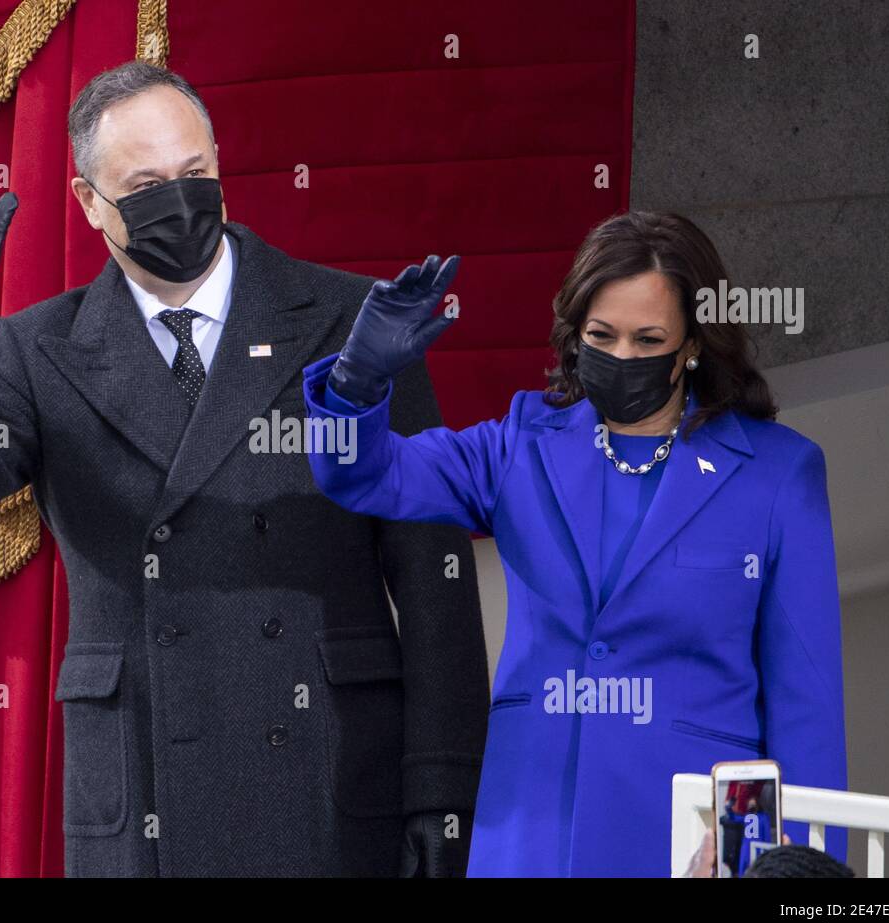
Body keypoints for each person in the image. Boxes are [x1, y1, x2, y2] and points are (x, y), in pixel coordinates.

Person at [0, 61, 491, 877]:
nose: (180, 198)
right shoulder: (37, 349)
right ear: (90, 202)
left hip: (332, 773)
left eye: (195, 173)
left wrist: (443, 791)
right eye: (146, 183)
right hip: (145, 786)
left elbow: (432, 573)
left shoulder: (352, 320)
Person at [302, 212, 848, 876]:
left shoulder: (778, 472)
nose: (620, 357)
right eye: (602, 335)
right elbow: (362, 477)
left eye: (648, 339)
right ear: (576, 332)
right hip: (529, 828)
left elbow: (807, 702)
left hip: (692, 842)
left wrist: (802, 871)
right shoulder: (520, 442)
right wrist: (356, 384)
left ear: (693, 346)